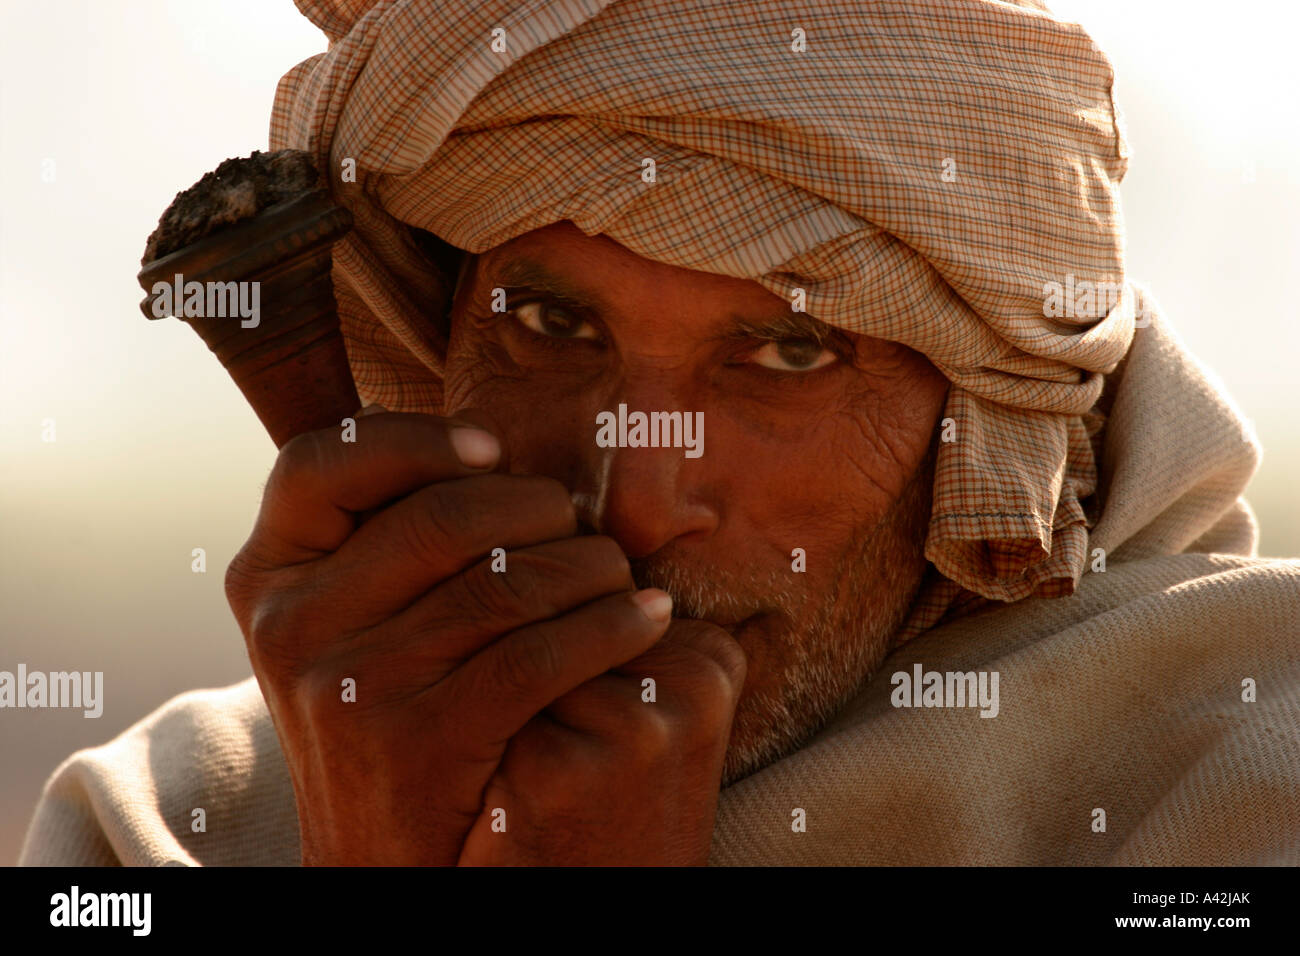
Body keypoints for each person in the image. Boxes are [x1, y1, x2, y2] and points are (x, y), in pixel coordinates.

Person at [20, 0, 1300, 866]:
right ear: (438, 340)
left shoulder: (1243, 785)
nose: (631, 503)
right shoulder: (166, 822)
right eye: (550, 327)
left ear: (983, 431)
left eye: (788, 353)